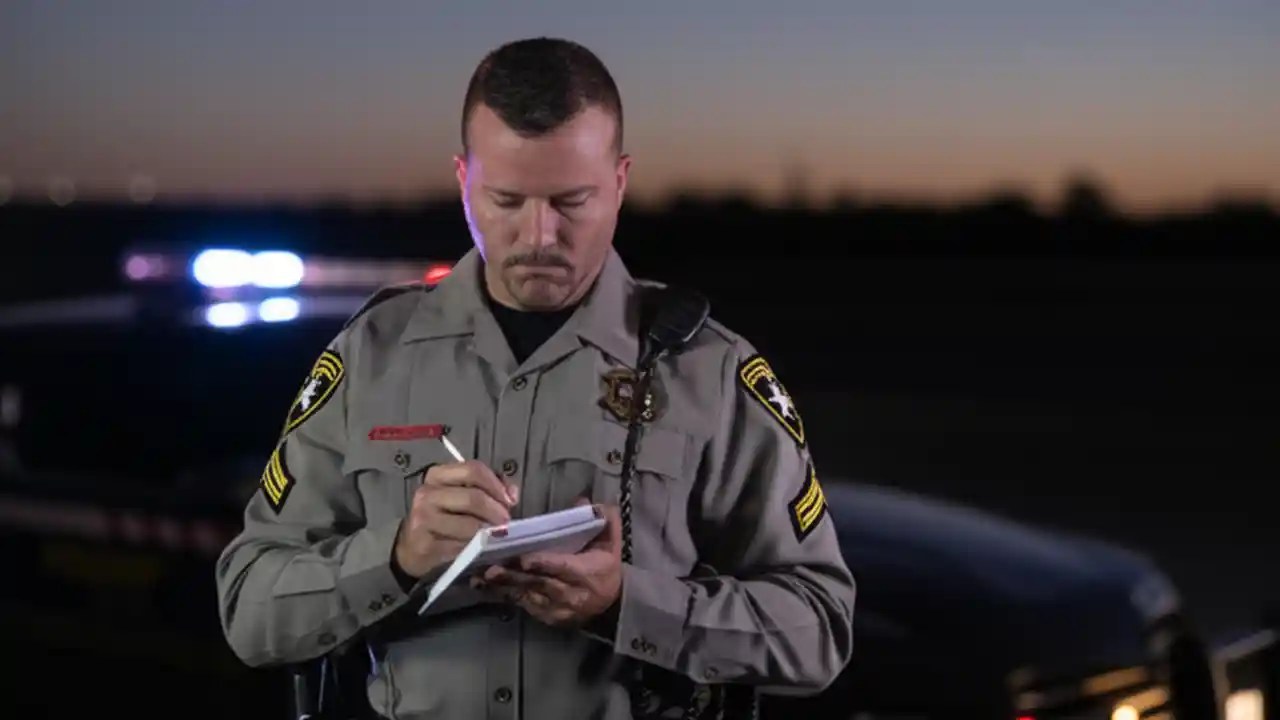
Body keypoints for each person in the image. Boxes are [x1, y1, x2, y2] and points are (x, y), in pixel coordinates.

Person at [215, 36, 856, 719]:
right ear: (463, 180)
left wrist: (630, 604)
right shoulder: (372, 354)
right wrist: (398, 555)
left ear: (619, 182)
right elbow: (250, 612)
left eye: (570, 201)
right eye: (507, 200)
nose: (539, 235)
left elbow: (819, 629)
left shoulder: (709, 372)